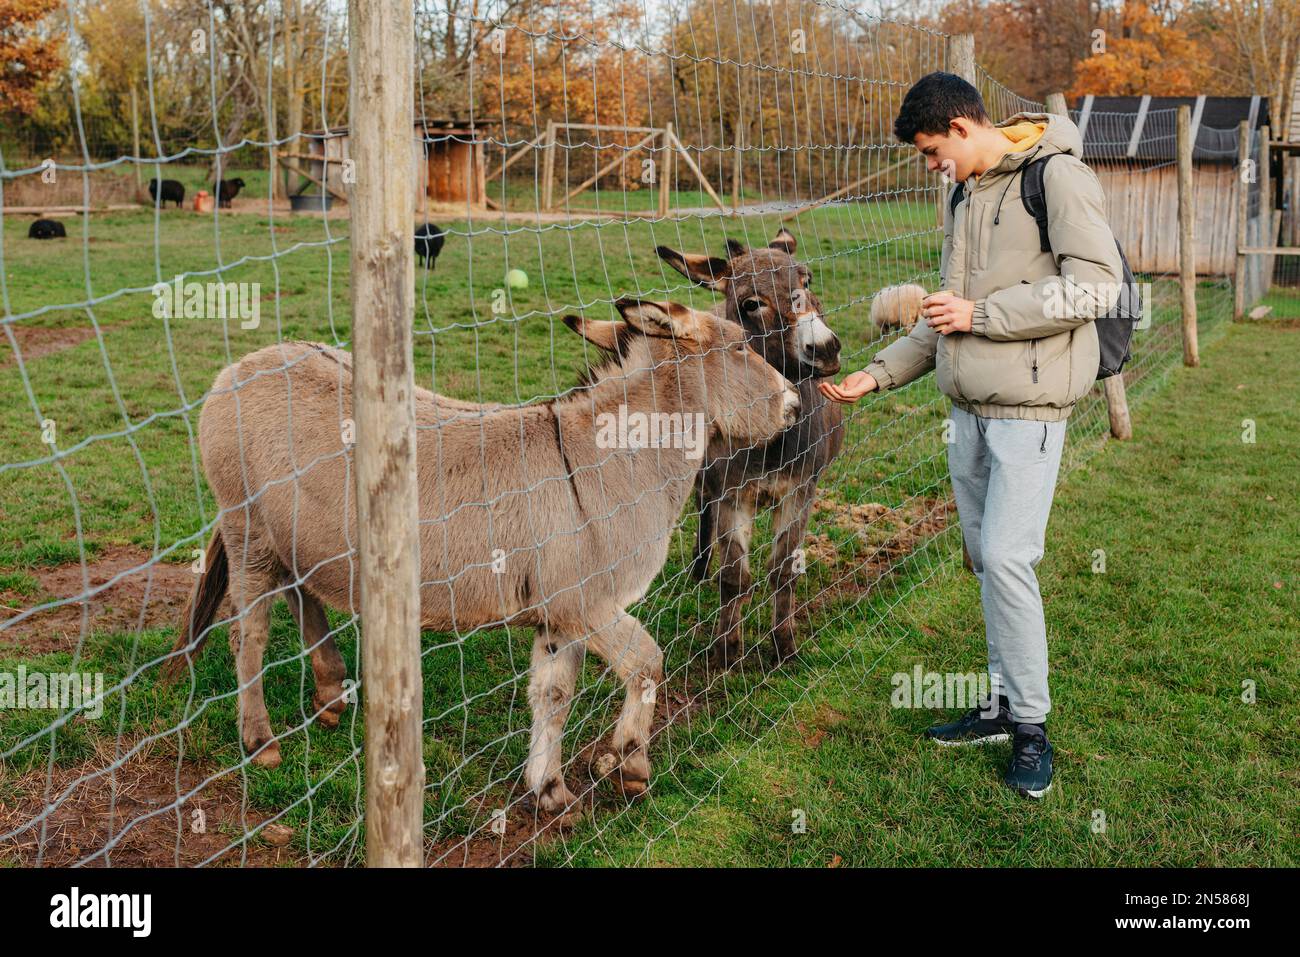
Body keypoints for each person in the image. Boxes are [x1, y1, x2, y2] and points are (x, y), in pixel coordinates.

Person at [820, 72, 1123, 799]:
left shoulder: (1057, 177)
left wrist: (982, 317)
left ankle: (1032, 728)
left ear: (960, 128)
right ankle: (999, 703)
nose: (931, 167)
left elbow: (1097, 285)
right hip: (970, 413)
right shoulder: (966, 194)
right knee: (986, 561)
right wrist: (879, 373)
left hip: (1030, 407)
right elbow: (942, 311)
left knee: (1007, 558)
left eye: (931, 152)